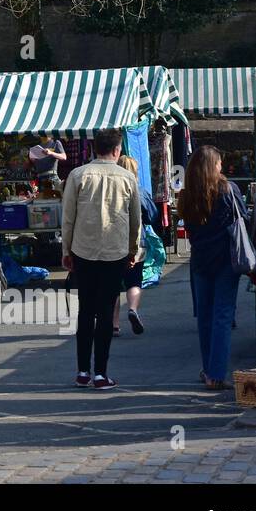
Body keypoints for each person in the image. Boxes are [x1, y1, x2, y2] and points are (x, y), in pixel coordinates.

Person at [61, 129, 141, 390]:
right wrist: (133, 251)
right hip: (114, 251)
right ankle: (100, 373)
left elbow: (68, 217)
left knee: (85, 311)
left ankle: (82, 370)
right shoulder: (128, 178)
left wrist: (66, 250)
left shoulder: (78, 175)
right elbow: (135, 219)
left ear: (95, 148)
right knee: (106, 312)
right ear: (117, 150)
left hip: (83, 250)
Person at [180, 146, 245, 391]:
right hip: (226, 259)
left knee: (205, 317)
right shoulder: (228, 190)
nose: (221, 166)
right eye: (218, 163)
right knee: (222, 316)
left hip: (199, 260)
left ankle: (209, 370)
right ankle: (216, 374)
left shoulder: (187, 194)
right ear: (212, 166)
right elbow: (242, 220)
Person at [112, 156, 160, 337]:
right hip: (137, 241)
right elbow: (152, 216)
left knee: (113, 285)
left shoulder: (110, 189)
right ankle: (132, 309)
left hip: (113, 242)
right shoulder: (140, 191)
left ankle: (114, 325)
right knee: (134, 281)